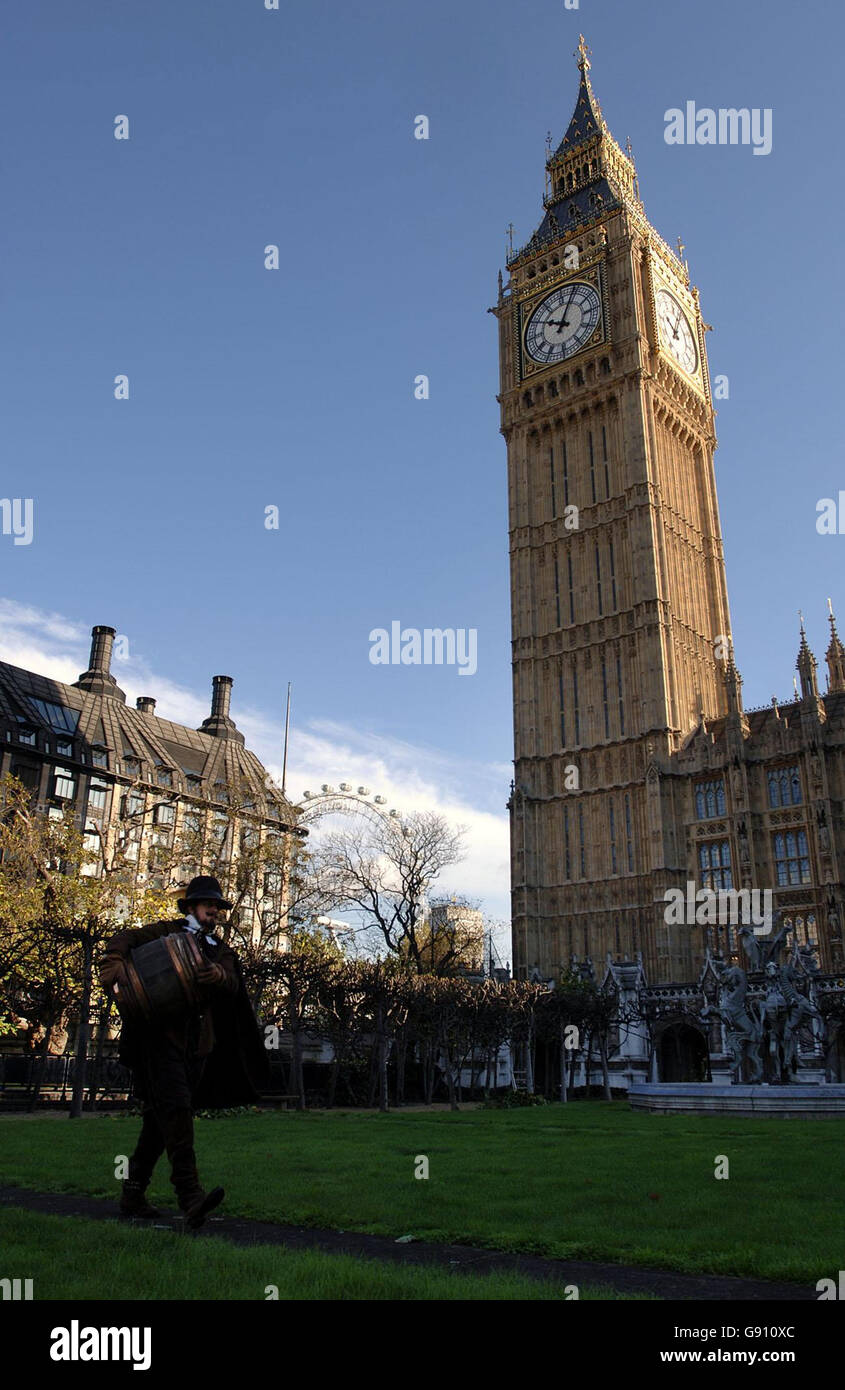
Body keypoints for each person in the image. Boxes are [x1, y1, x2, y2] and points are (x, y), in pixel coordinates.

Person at [99, 875, 268, 1229]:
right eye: (209, 905)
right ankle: (190, 1196)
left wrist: (220, 977)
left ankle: (132, 1193)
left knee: (159, 1123)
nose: (215, 912)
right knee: (176, 1110)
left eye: (218, 907)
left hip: (198, 1047)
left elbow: (234, 984)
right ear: (191, 906)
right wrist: (114, 963)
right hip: (159, 1040)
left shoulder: (221, 950)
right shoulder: (165, 932)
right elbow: (124, 938)